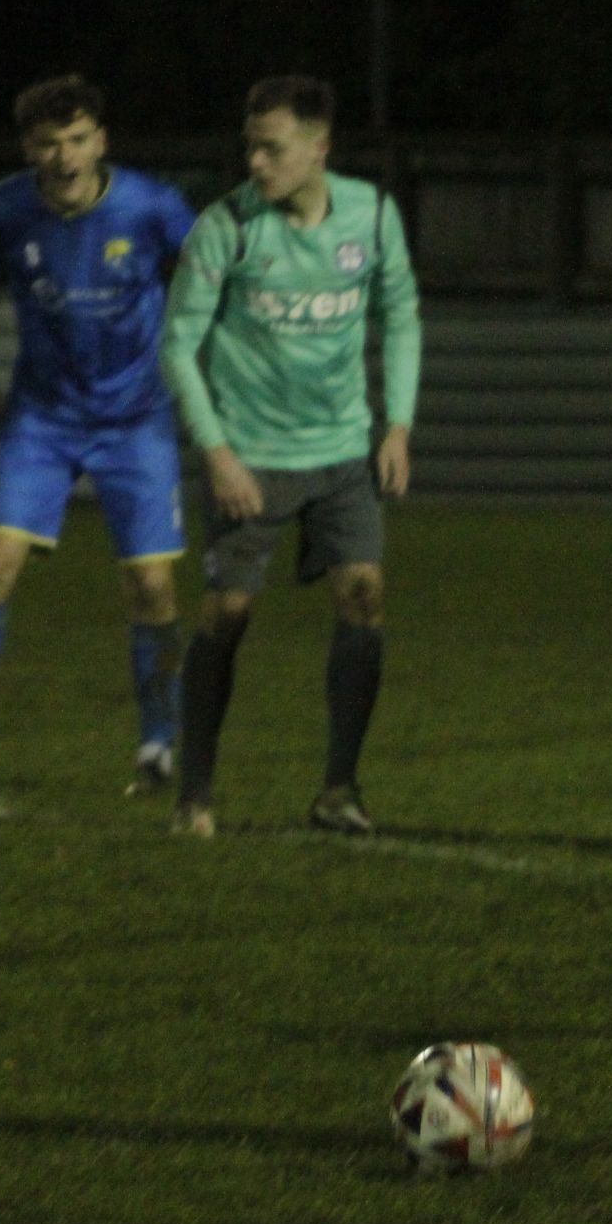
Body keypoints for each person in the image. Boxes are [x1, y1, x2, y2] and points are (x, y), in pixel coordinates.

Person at [159, 75, 421, 838]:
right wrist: (218, 454)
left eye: (271, 148)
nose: (256, 162)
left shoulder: (371, 217)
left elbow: (400, 314)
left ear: (318, 147)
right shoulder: (227, 228)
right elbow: (177, 346)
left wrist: (396, 424)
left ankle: (339, 788)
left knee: (365, 598)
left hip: (341, 455)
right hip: (252, 459)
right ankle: (195, 795)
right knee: (226, 615)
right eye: (249, 146)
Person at [0, 75, 202, 796]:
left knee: (150, 582)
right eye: (49, 143)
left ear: (101, 141)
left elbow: (206, 274)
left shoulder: (153, 206)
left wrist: (201, 365)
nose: (65, 156)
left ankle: (157, 749)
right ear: (29, 149)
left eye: (78, 139)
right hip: (42, 417)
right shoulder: (2, 210)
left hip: (135, 418)